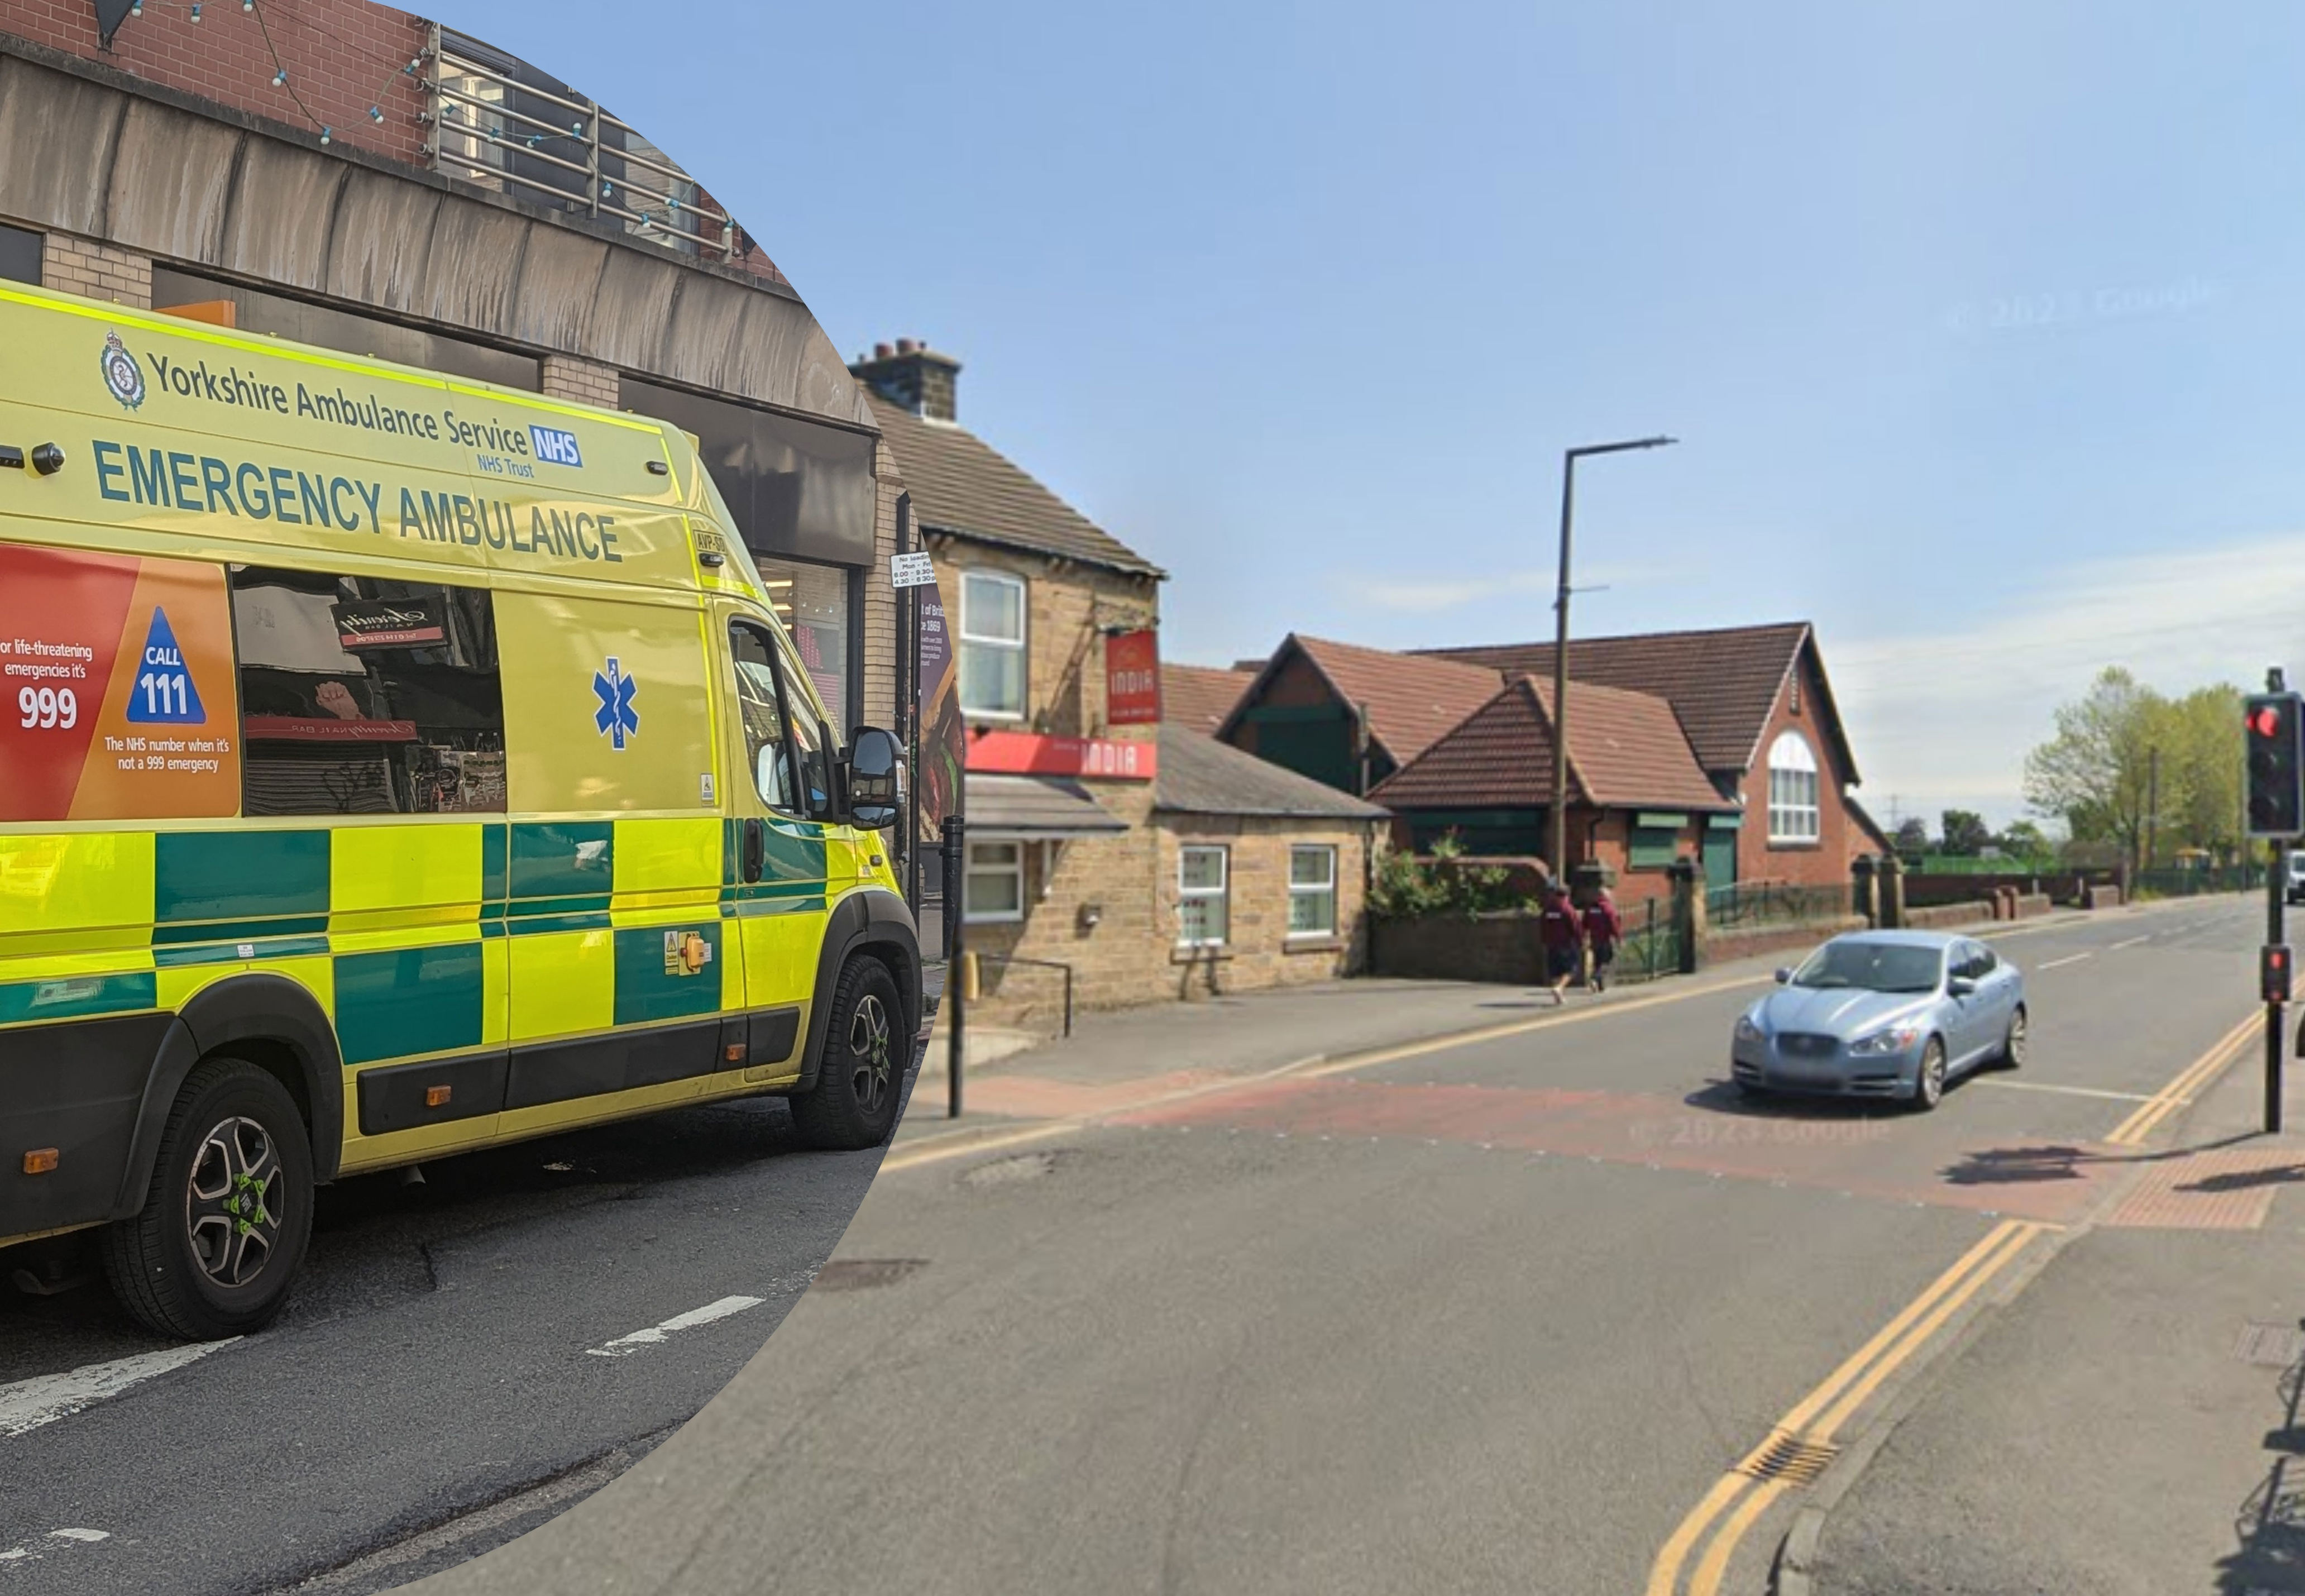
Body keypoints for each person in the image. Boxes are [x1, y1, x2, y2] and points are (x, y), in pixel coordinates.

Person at [1537, 884, 1584, 1006]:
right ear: (1567, 896)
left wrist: (1544, 940)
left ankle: (1559, 997)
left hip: (1551, 944)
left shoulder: (1548, 909)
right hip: (1566, 944)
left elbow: (1542, 926)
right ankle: (1560, 988)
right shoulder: (1568, 909)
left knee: (1555, 971)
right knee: (1571, 969)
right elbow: (1576, 927)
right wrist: (1580, 941)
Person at [1581, 887, 1624, 993]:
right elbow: (1614, 925)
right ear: (1606, 896)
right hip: (1605, 939)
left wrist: (1585, 937)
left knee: (1598, 962)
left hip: (1594, 939)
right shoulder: (1608, 908)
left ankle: (1600, 986)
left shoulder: (1590, 908)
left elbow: (1584, 923)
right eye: (1610, 895)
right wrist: (1619, 939)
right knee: (1607, 960)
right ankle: (1594, 979)